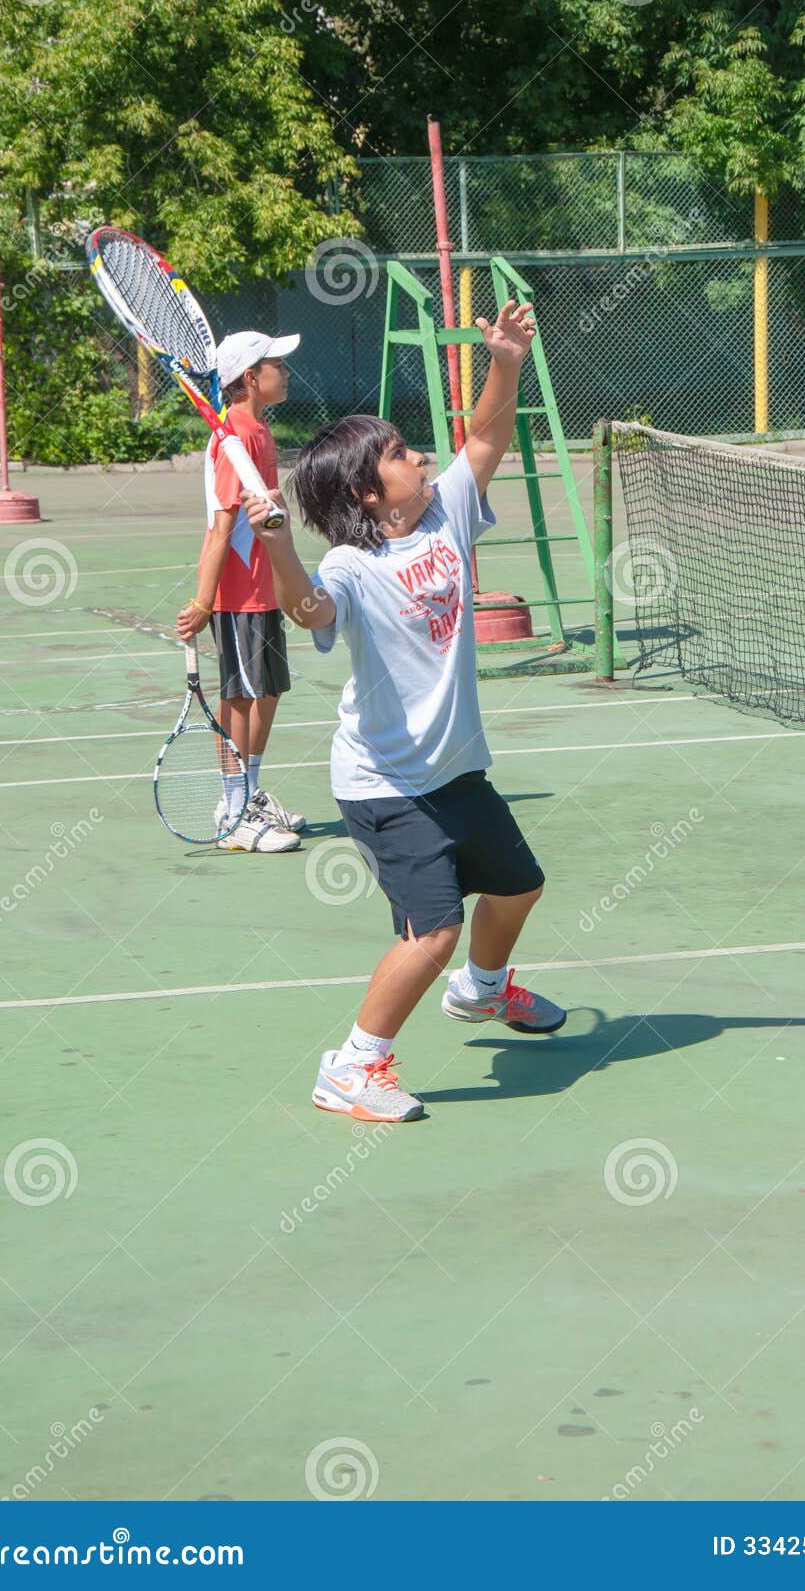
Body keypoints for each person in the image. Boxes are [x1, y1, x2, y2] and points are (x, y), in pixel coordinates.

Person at [243, 299, 566, 1121]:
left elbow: (485, 438)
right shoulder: (352, 564)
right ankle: (351, 1067)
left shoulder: (446, 512)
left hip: (455, 767)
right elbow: (310, 612)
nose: (419, 456)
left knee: (519, 888)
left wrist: (505, 359)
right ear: (364, 487)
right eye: (398, 453)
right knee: (430, 933)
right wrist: (279, 545)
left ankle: (482, 994)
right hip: (385, 781)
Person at [176, 331, 306, 853]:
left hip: (264, 585)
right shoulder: (235, 434)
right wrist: (205, 601)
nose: (287, 372)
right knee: (241, 696)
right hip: (238, 590)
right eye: (278, 364)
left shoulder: (256, 430)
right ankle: (237, 812)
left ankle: (246, 797)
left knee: (266, 691)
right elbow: (222, 524)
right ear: (251, 377)